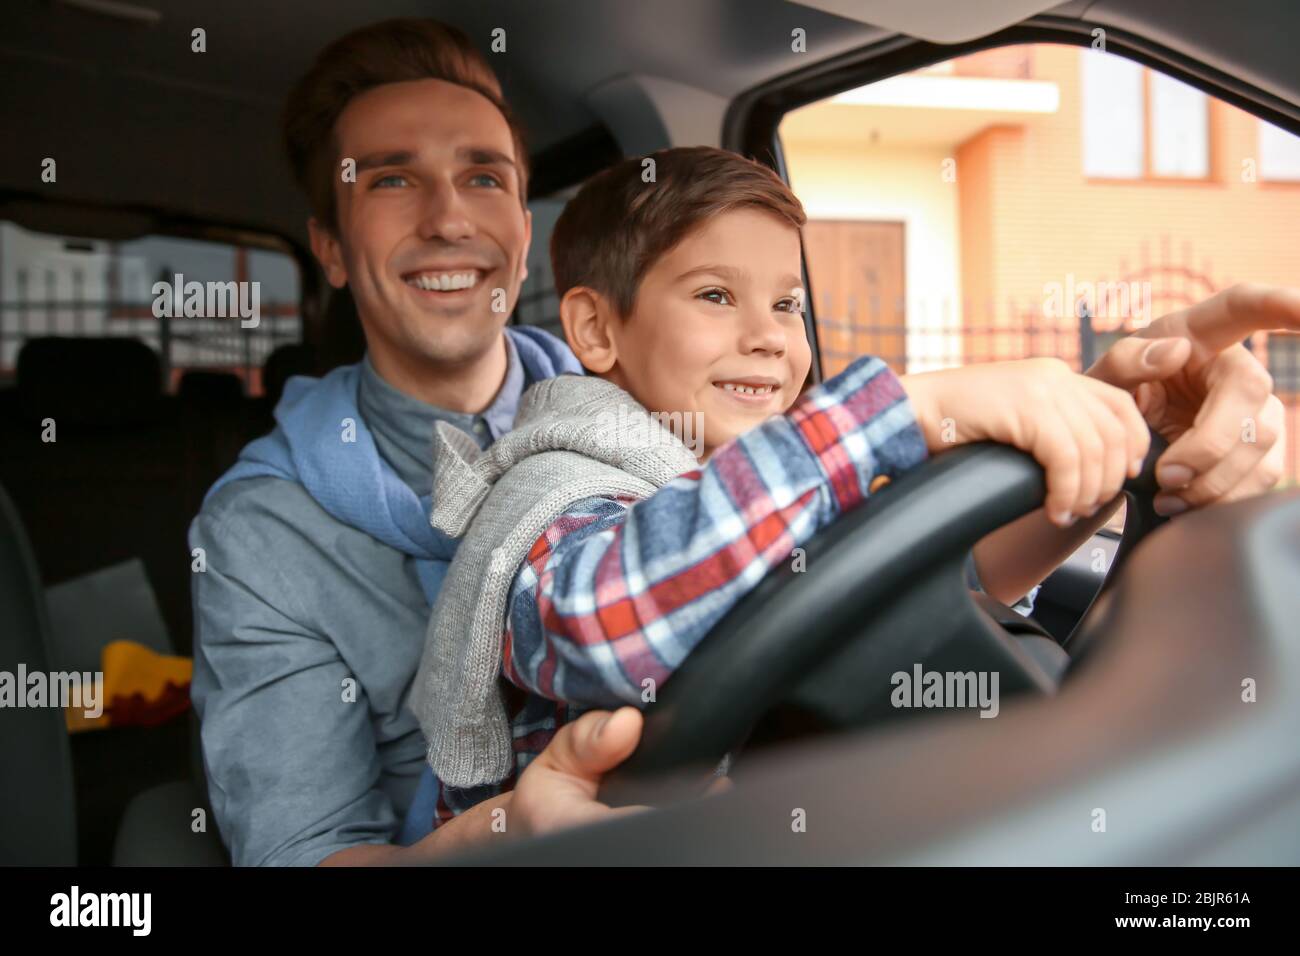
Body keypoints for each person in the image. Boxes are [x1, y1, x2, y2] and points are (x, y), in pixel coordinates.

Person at [191, 17, 1296, 866]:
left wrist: (1107, 429)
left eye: (484, 174)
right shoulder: (288, 525)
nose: (447, 216)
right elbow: (310, 853)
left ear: (522, 222)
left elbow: (881, 580)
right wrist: (496, 839)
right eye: (390, 179)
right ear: (330, 246)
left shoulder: (680, 430)